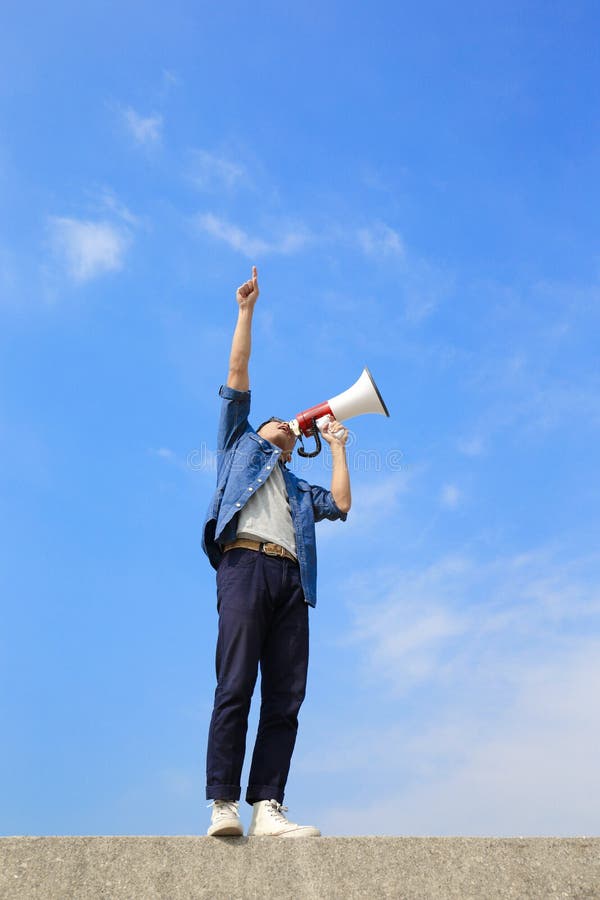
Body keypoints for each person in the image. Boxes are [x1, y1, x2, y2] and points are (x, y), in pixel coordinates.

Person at [202, 265, 351, 838]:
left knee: (285, 695)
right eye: (276, 421)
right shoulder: (239, 444)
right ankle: (222, 802)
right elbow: (237, 373)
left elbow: (340, 504)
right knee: (235, 683)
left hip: (292, 581)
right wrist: (245, 311)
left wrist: (337, 446)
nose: (284, 424)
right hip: (243, 566)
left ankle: (268, 804)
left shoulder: (295, 485)